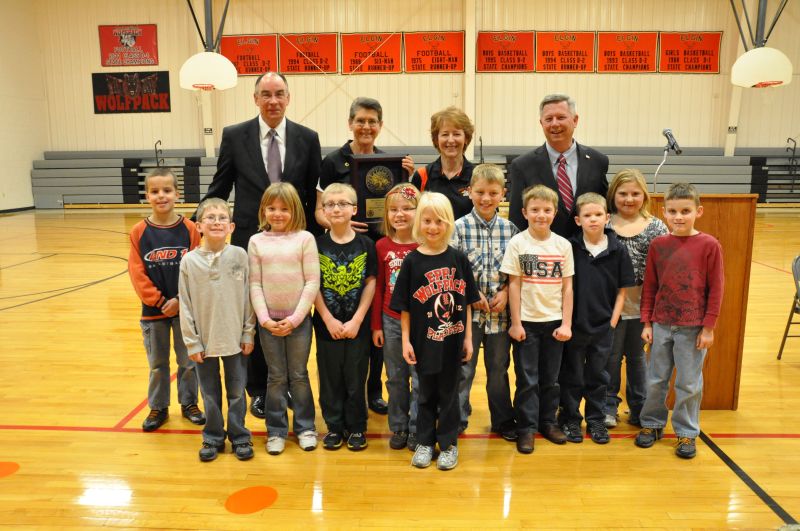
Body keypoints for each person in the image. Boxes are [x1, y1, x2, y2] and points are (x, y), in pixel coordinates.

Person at [199, 72, 322, 421]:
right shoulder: (234, 136)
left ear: (288, 98)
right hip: (251, 245)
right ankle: (258, 390)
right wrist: (200, 219)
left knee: (294, 317)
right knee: (254, 316)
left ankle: (289, 384)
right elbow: (220, 184)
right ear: (255, 98)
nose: (273, 100)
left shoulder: (307, 138)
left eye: (279, 94)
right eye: (265, 94)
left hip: (293, 248)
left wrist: (319, 235)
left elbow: (313, 193)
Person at [314, 97, 414, 416]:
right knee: (349, 327)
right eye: (360, 120)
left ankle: (373, 391)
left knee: (376, 325)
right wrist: (337, 221)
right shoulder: (332, 161)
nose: (366, 127)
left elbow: (403, 206)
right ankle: (344, 394)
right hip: (344, 251)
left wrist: (408, 179)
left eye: (372, 121)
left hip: (380, 249)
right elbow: (319, 210)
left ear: (380, 126)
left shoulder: (391, 163)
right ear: (350, 123)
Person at [391, 192, 479, 471]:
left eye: (439, 221)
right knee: (425, 393)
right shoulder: (412, 261)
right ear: (419, 222)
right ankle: (426, 442)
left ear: (448, 223)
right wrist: (405, 341)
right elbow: (404, 307)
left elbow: (465, 302)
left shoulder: (458, 259)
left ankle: (449, 444)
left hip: (453, 341)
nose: (432, 227)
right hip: (423, 342)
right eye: (427, 221)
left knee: (450, 395)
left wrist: (467, 338)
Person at [635, 182, 724, 459]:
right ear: (664, 212)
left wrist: (708, 327)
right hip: (661, 325)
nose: (679, 217)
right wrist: (647, 323)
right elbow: (650, 286)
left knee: (688, 382)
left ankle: (686, 432)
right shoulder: (659, 245)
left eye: (685, 211)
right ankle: (652, 423)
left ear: (698, 211)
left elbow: (717, 288)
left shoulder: (709, 245)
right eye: (672, 211)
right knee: (655, 379)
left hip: (693, 328)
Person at [179, 198, 256, 462]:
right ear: (198, 225)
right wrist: (192, 342)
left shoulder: (240, 256)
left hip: (235, 338)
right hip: (204, 341)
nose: (216, 222)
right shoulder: (189, 262)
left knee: (237, 391)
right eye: (210, 218)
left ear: (231, 226)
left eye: (222, 217)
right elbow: (185, 305)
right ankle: (212, 436)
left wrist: (248, 333)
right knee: (209, 393)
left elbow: (248, 297)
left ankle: (240, 436)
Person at [128, 167, 204, 432]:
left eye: (167, 190)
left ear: (177, 193)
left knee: (188, 362)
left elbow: (198, 269)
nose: (161, 196)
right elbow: (137, 273)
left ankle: (189, 403)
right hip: (153, 312)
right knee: (158, 365)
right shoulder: (139, 231)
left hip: (185, 311)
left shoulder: (190, 229)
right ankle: (158, 406)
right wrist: (161, 302)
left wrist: (181, 299)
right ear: (147, 195)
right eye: (155, 191)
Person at [501, 185, 574, 454]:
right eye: (535, 210)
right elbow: (515, 285)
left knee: (551, 379)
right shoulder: (518, 243)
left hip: (554, 323)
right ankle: (527, 428)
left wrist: (566, 323)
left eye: (546, 210)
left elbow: (568, 287)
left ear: (555, 213)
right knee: (527, 379)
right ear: (524, 212)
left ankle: (548, 422)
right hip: (527, 324)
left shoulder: (563, 245)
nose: (541, 215)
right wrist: (516, 322)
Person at [248, 183, 320, 455]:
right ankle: (276, 431)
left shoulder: (305, 239)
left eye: (284, 209)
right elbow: (255, 284)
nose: (277, 214)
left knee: (299, 375)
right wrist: (264, 320)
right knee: (276, 377)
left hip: (299, 322)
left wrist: (297, 317)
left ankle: (305, 428)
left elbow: (312, 281)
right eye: (272, 208)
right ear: (263, 210)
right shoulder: (256, 241)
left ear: (295, 211)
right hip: (269, 324)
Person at [557, 193, 635, 445]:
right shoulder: (569, 247)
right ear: (578, 220)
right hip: (575, 325)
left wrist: (612, 323)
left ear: (607, 217)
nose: (593, 220)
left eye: (598, 215)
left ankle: (596, 419)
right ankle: (570, 417)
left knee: (599, 375)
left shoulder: (618, 249)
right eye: (587, 216)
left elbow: (623, 292)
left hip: (604, 327)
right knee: (572, 375)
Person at [450, 164, 519, 441]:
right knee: (464, 367)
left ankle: (503, 420)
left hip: (500, 315)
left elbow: (515, 271)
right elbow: (452, 269)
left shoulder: (511, 229)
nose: (486, 198)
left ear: (503, 193)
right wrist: (470, 294)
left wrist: (505, 291)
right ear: (469, 192)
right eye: (480, 192)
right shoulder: (458, 228)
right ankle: (457, 418)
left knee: (498, 369)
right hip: (468, 315)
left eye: (493, 192)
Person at [313, 183, 377, 451]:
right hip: (326, 324)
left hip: (356, 325)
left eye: (342, 203)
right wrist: (327, 318)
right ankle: (334, 426)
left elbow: (371, 282)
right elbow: (312, 283)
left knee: (355, 375)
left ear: (354, 209)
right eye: (330, 204)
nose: (336, 208)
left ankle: (357, 426)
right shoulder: (314, 244)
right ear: (323, 209)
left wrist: (358, 319)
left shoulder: (366, 244)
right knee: (329, 377)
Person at [603, 169, 668, 428]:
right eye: (623, 193)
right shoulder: (605, 223)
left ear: (644, 196)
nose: (629, 199)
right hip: (611, 306)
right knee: (610, 356)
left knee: (637, 357)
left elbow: (662, 267)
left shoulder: (655, 226)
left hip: (642, 307)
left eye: (635, 194)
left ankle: (640, 406)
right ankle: (608, 405)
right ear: (613, 195)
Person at [508, 94, 609, 237]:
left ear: (575, 120)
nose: (555, 124)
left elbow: (606, 210)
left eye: (561, 117)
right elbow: (517, 220)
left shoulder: (597, 161)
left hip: (588, 253)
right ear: (541, 123)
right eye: (549, 119)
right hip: (543, 253)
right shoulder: (522, 166)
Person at [371, 184, 421, 450]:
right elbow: (379, 287)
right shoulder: (381, 246)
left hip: (421, 323)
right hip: (390, 320)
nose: (399, 214)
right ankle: (399, 427)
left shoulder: (426, 244)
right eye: (393, 210)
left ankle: (417, 427)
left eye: (406, 209)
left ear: (418, 211)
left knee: (420, 376)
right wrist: (376, 326)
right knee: (395, 376)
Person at [411, 107, 476, 220]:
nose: (450, 140)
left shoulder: (477, 176)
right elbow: (411, 215)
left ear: (466, 138)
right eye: (445, 134)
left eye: (456, 134)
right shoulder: (422, 176)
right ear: (436, 139)